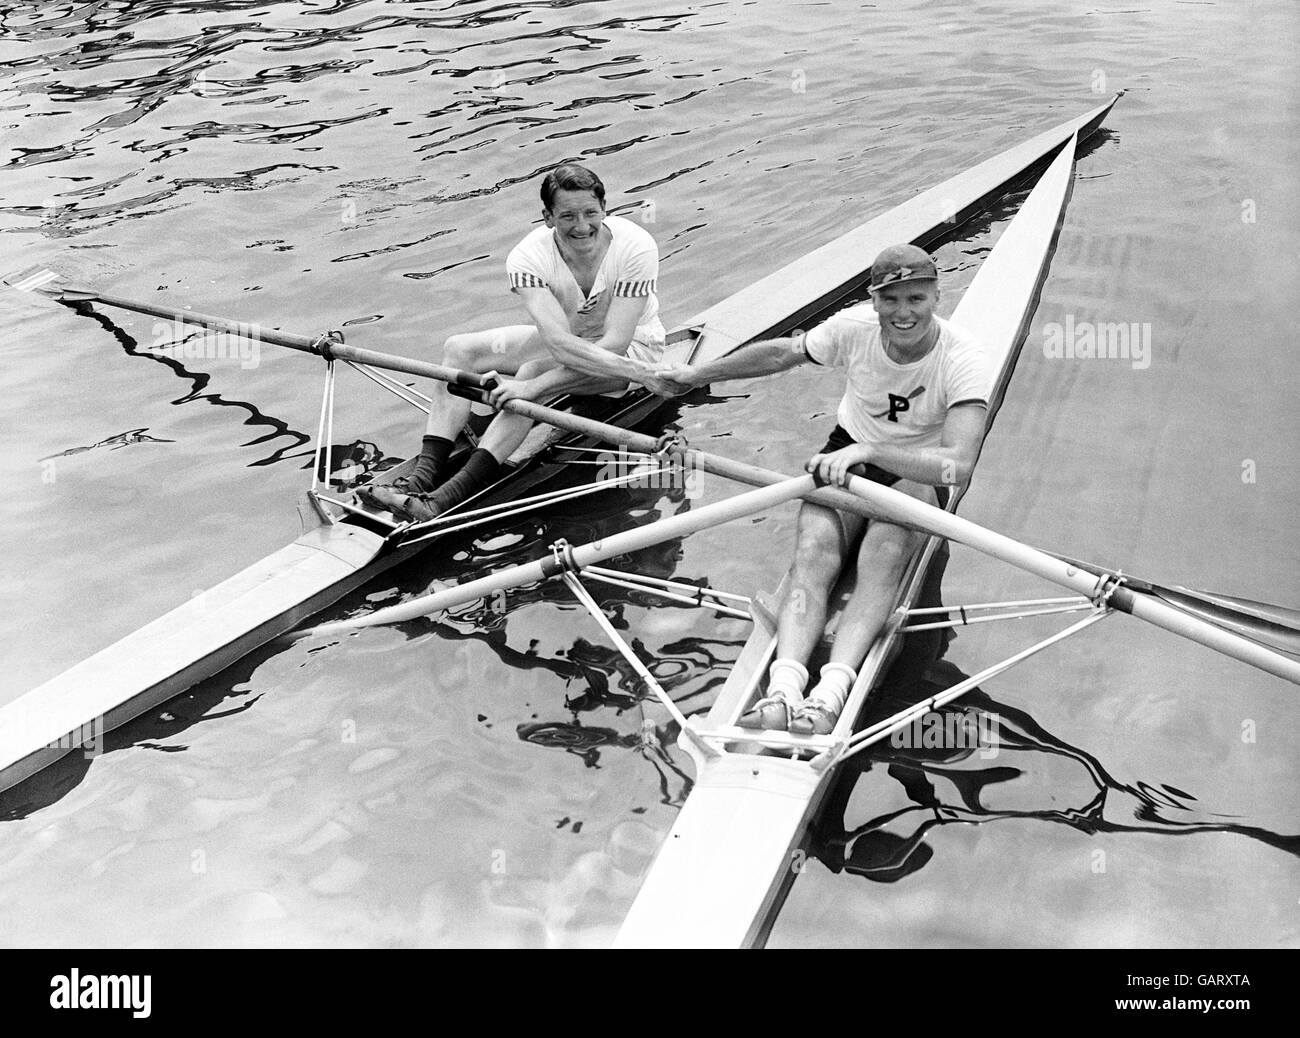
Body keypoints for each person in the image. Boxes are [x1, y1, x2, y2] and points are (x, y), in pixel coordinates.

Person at [656, 244, 992, 735]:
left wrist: (871, 454)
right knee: (812, 551)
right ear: (873, 301)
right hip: (846, 450)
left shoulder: (963, 359)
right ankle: (784, 689)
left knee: (885, 550)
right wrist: (694, 376)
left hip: (916, 467)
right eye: (891, 300)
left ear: (937, 296)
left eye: (916, 299)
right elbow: (782, 353)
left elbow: (956, 468)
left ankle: (831, 692)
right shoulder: (852, 328)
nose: (904, 313)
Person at [365, 163, 674, 521]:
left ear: (605, 209)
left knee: (530, 375)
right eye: (568, 216)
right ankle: (421, 478)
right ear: (547, 217)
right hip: (571, 342)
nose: (582, 226)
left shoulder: (636, 246)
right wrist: (530, 384)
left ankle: (445, 499)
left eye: (591, 213)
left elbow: (615, 344)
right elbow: (558, 344)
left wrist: (532, 387)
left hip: (633, 353)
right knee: (458, 349)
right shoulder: (527, 257)